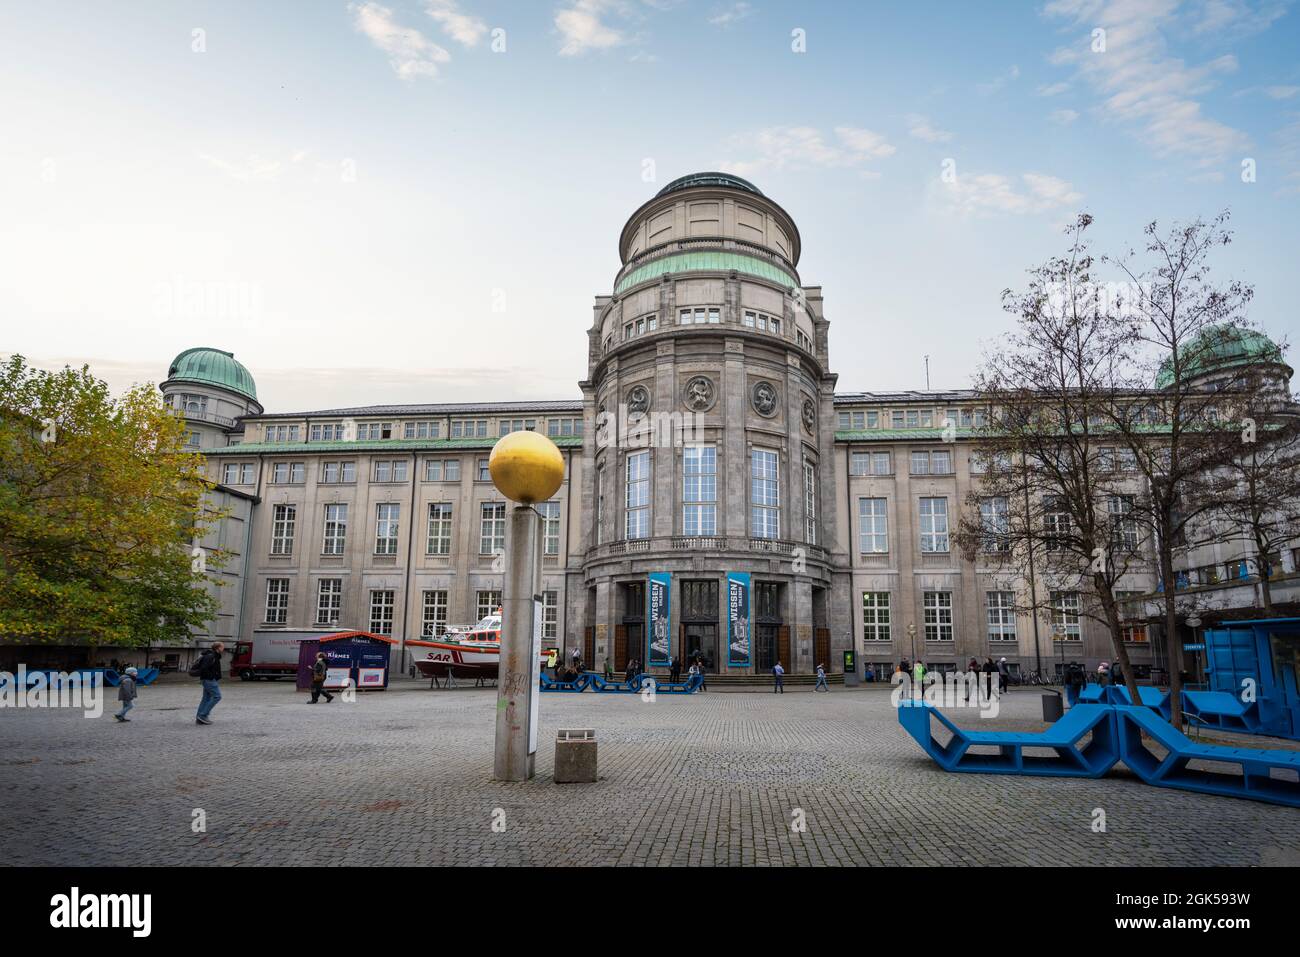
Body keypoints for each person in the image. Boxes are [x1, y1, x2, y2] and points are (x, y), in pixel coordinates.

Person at [194, 642, 224, 725]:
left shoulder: (213, 656)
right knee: (217, 696)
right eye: (222, 647)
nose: (223, 649)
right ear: (218, 648)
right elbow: (204, 668)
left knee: (206, 698)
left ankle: (199, 717)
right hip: (209, 680)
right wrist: (211, 677)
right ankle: (203, 715)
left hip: (208, 679)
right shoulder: (211, 656)